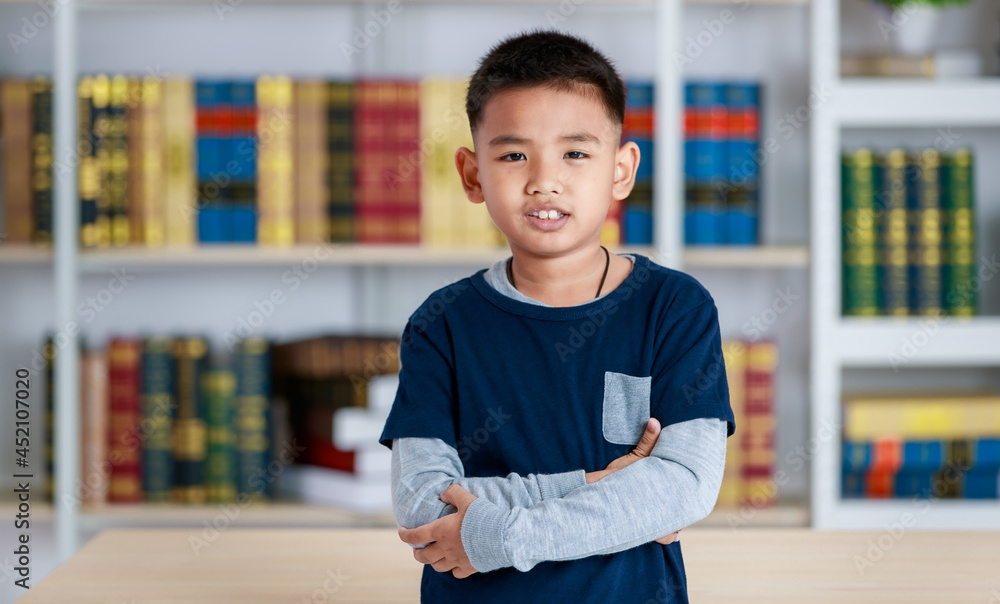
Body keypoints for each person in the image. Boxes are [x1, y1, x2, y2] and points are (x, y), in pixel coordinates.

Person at [378, 29, 736, 604]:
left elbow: (684, 486)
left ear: (621, 170)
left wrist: (498, 536)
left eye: (575, 152)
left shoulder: (674, 307)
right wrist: (599, 487)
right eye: (514, 154)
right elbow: (422, 503)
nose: (545, 179)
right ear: (472, 174)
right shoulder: (441, 322)